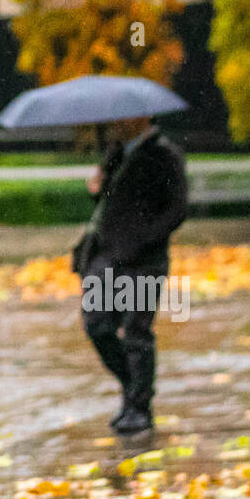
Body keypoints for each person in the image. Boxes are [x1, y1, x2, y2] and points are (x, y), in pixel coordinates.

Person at [72, 116, 187, 435]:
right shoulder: (115, 153)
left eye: (123, 120)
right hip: (106, 256)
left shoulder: (165, 155)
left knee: (137, 332)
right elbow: (112, 205)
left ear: (142, 118)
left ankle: (139, 408)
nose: (115, 124)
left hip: (143, 261)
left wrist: (143, 239)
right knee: (96, 325)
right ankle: (133, 388)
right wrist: (97, 188)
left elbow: (177, 209)